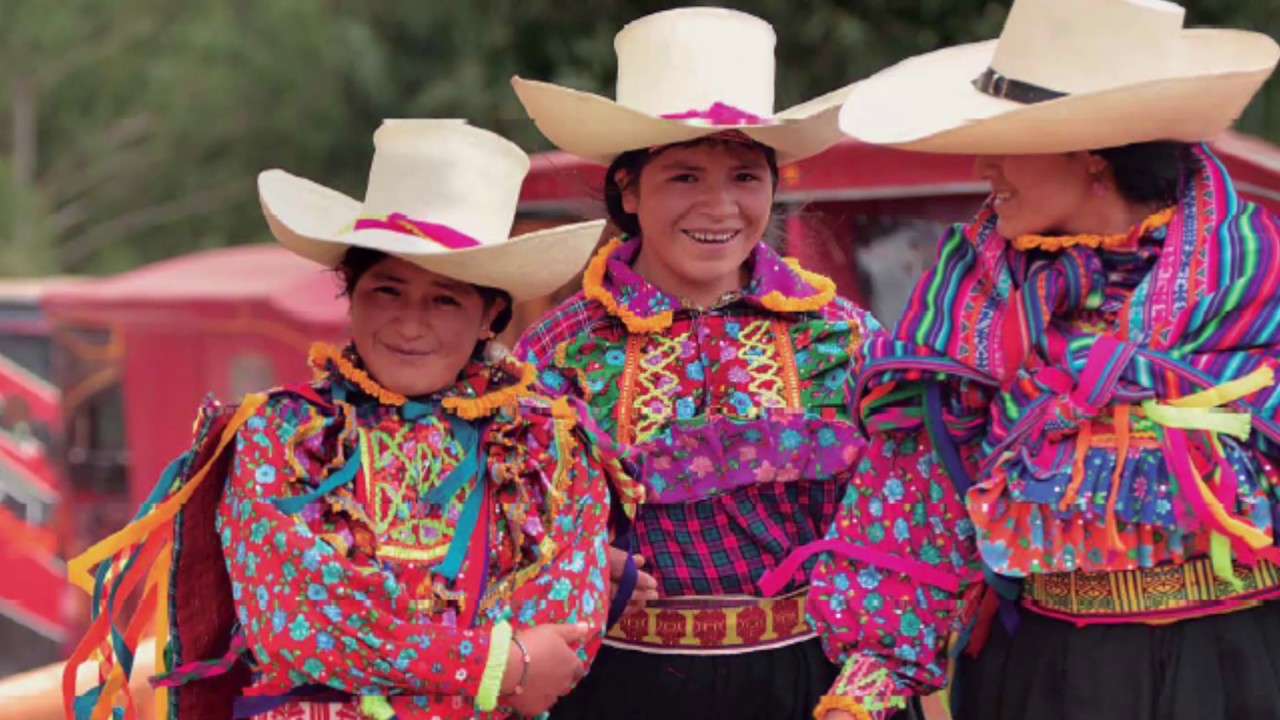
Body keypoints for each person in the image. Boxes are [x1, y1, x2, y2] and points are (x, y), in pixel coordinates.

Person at [63, 119, 642, 720]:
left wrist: (503, 658)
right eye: (387, 291)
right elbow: (302, 627)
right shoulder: (278, 436)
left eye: (444, 299)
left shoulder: (551, 446)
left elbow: (565, 631)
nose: (409, 322)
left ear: (490, 316)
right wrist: (502, 663)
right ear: (350, 291)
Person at [800, 0, 1280, 717]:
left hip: (1242, 664)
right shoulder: (972, 298)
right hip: (1050, 673)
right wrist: (872, 680)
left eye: (1009, 140)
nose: (982, 164)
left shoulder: (1257, 279)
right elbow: (911, 489)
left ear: (1091, 152)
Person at [511, 8, 893, 719]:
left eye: (745, 176)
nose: (720, 206)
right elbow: (504, 532)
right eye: (685, 176)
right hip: (623, 686)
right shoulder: (557, 353)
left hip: (811, 680)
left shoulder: (845, 338)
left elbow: (900, 512)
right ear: (629, 190)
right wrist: (575, 567)